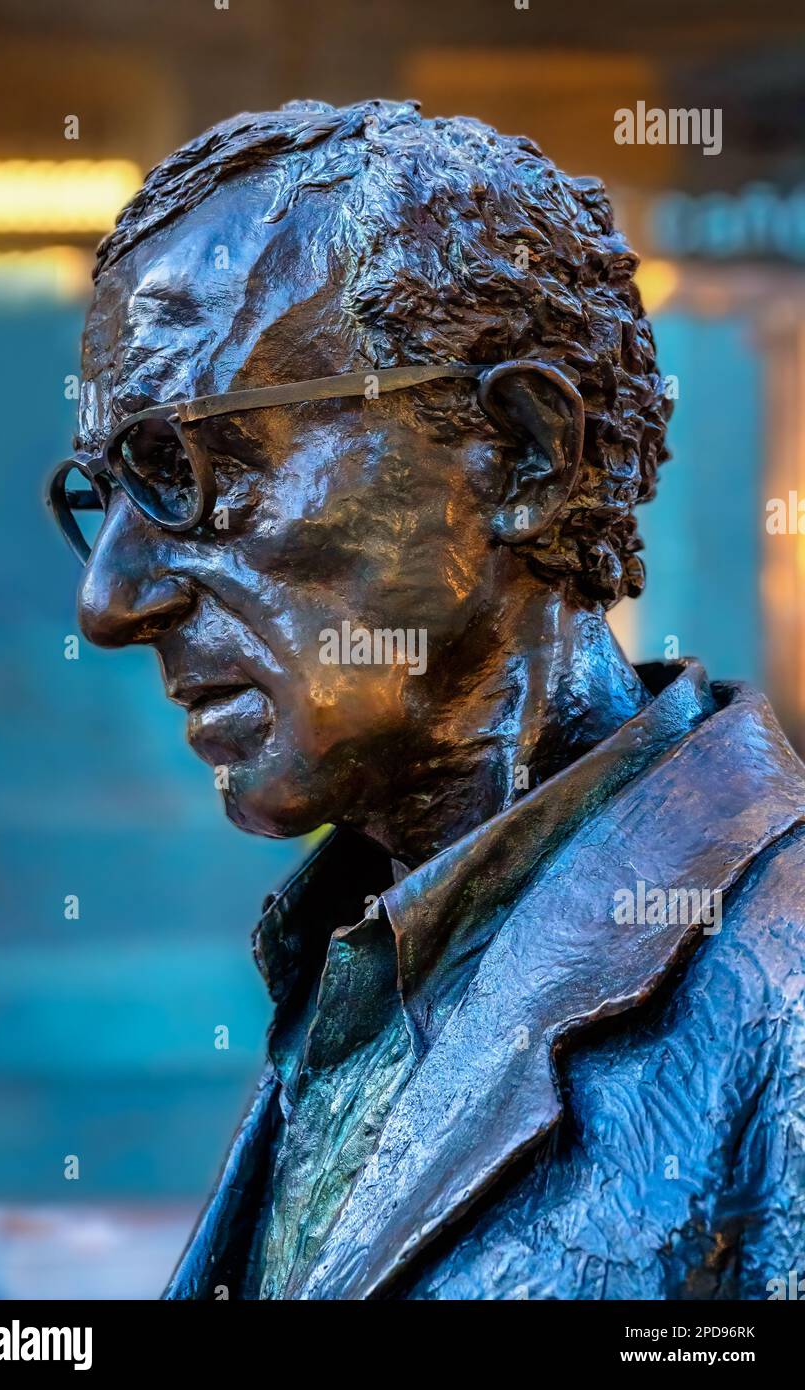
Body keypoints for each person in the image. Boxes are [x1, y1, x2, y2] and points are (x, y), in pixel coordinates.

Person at [47, 99, 805, 1300]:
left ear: (518, 452)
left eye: (194, 468)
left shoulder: (787, 995)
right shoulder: (366, 952)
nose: (109, 599)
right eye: (107, 492)